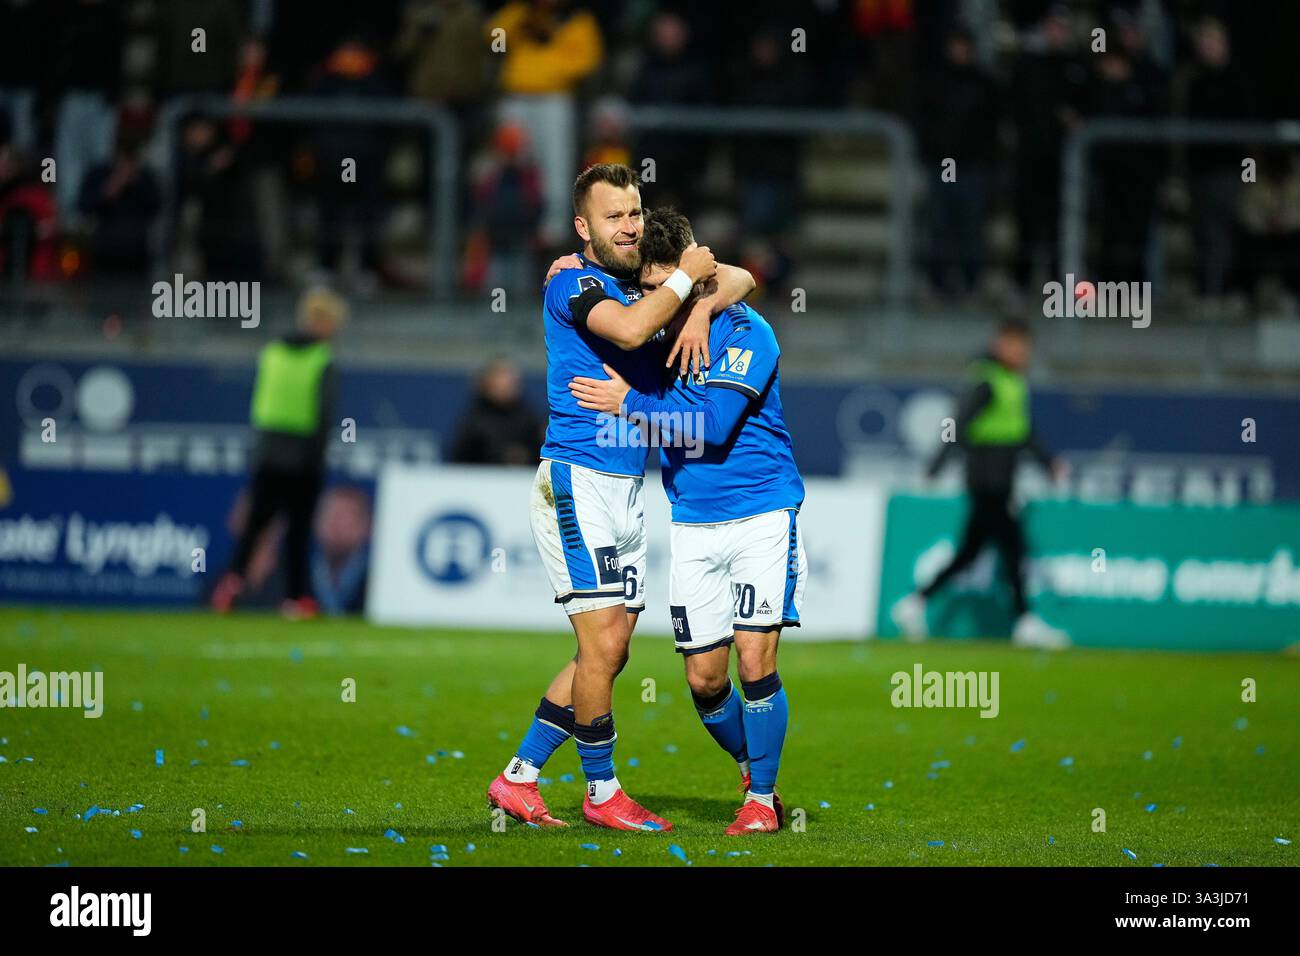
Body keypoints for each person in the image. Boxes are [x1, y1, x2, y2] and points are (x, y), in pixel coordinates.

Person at [485, 163, 755, 832]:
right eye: (613, 216)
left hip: (626, 487)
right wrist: (691, 283)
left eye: (633, 212)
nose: (629, 225)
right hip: (576, 478)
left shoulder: (646, 282)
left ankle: (519, 778)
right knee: (603, 644)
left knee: (609, 649)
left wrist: (695, 303)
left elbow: (745, 279)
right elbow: (633, 333)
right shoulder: (574, 284)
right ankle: (602, 792)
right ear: (584, 227)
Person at [568, 208, 805, 835]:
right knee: (705, 681)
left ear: (694, 277)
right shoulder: (662, 327)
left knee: (755, 662)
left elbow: (710, 426)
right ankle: (756, 771)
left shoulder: (749, 334)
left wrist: (628, 402)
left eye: (658, 287)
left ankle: (762, 800)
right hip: (693, 519)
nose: (651, 300)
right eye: (646, 290)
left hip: (761, 509)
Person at [891, 320, 1070, 649]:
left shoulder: (1011, 382)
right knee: (1012, 548)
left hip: (1002, 479)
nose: (1022, 352)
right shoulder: (987, 381)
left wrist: (1048, 463)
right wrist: (936, 465)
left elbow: (1021, 430)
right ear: (1001, 345)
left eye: (1024, 346)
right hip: (988, 480)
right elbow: (959, 423)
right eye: (1016, 345)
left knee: (971, 552)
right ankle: (1025, 621)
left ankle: (914, 603)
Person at [211, 287, 346, 619]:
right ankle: (296, 599)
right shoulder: (322, 360)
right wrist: (317, 458)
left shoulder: (272, 352)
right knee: (298, 532)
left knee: (256, 526)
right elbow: (324, 415)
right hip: (303, 458)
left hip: (268, 452)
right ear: (324, 322)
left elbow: (263, 403)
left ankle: (230, 585)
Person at [449, 357, 545, 466]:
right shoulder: (474, 418)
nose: (511, 380)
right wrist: (503, 456)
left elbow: (538, 449)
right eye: (503, 375)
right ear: (488, 381)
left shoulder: (527, 414)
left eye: (512, 376)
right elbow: (462, 458)